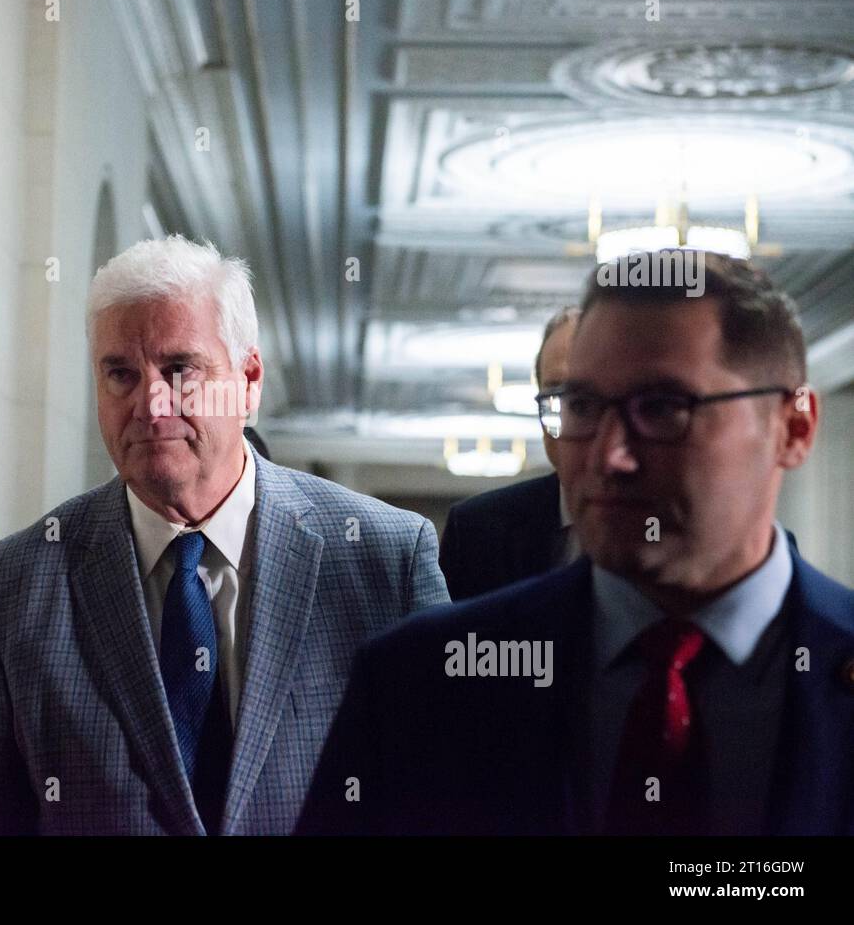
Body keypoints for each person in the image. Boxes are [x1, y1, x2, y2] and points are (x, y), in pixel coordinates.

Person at [298, 250, 851, 835]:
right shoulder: (413, 685)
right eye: (583, 407)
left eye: (662, 408)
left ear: (793, 428)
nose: (607, 455)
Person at [0, 235, 449, 835]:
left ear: (248, 381)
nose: (151, 406)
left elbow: (446, 803)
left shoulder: (385, 559)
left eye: (180, 370)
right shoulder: (11, 586)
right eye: (120, 374)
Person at [439, 306, 579, 599]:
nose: (574, 419)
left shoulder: (682, 528)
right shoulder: (476, 533)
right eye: (555, 396)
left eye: (588, 398)